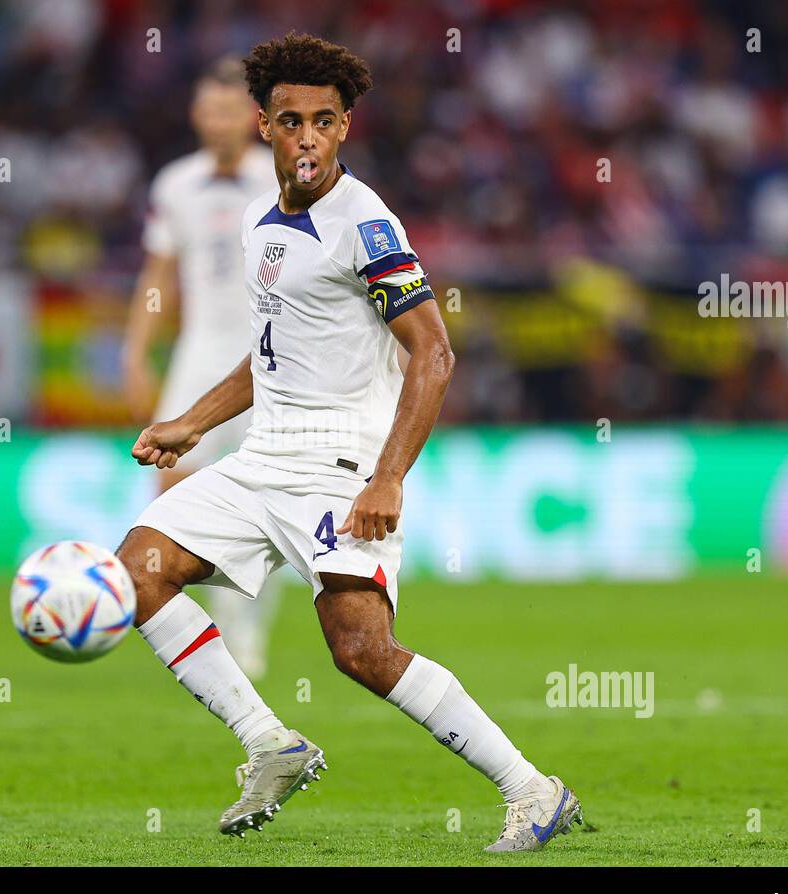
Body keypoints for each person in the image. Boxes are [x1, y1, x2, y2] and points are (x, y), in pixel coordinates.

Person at [116, 32, 582, 852]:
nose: (306, 138)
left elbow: (433, 353)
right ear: (264, 125)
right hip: (263, 454)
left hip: (341, 461)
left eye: (323, 122)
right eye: (290, 120)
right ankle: (269, 743)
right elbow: (271, 356)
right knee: (137, 570)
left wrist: (388, 477)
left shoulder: (363, 224)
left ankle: (533, 790)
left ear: (345, 129)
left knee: (361, 651)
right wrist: (192, 421)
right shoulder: (265, 228)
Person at [123, 56, 279, 679]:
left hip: (268, 356)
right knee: (170, 488)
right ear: (196, 115)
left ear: (254, 117)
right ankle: (214, 627)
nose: (219, 122)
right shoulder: (174, 185)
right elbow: (157, 276)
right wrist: (136, 351)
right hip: (198, 353)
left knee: (267, 503)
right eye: (209, 110)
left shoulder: (283, 178)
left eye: (231, 110)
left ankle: (248, 631)